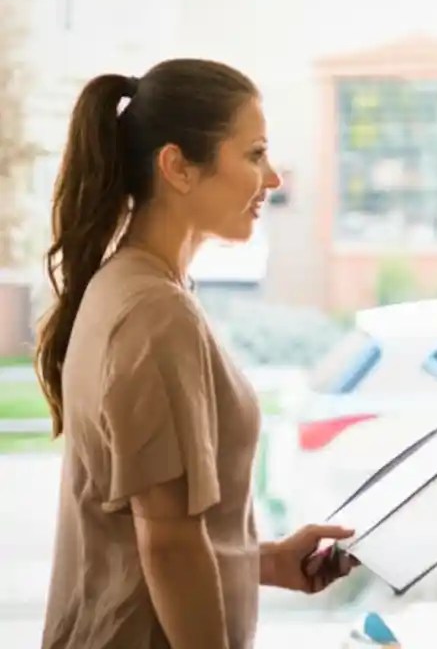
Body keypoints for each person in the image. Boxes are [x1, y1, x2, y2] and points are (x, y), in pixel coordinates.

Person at [36, 59, 358, 649]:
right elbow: (167, 545)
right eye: (254, 154)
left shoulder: (134, 289)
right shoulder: (156, 313)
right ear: (178, 167)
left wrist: (262, 561)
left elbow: (152, 529)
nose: (273, 180)